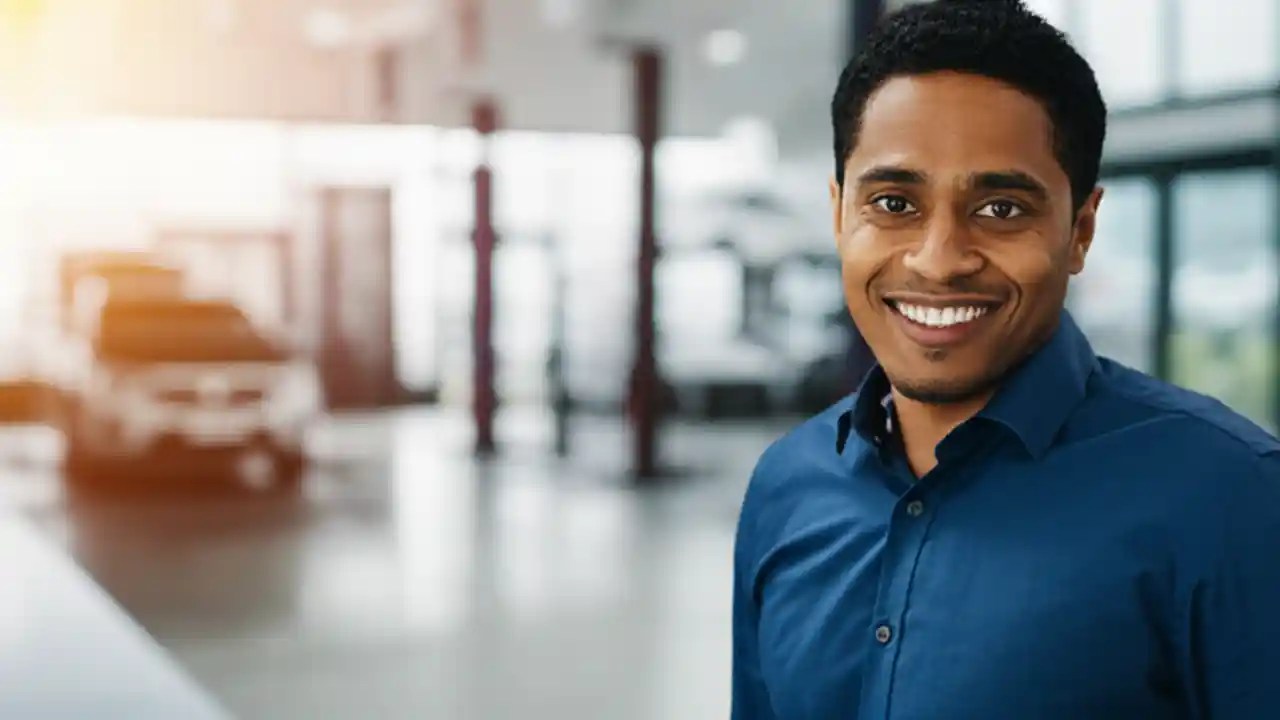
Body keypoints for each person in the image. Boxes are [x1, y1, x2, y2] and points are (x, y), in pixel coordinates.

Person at [731, 1, 1280, 718]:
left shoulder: (1233, 496)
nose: (940, 260)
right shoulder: (785, 486)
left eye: (1000, 209)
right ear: (839, 214)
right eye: (895, 202)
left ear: (1080, 229)